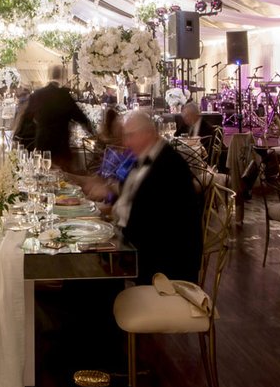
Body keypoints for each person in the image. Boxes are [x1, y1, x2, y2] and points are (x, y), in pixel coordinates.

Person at [82, 111, 202, 284]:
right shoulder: (147, 157)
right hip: (141, 248)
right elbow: (134, 192)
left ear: (148, 133)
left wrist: (115, 240)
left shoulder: (169, 166)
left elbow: (152, 222)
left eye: (130, 136)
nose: (126, 143)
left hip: (163, 268)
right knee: (87, 259)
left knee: (89, 273)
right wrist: (108, 190)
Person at [17, 65, 94, 169]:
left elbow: (26, 117)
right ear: (61, 76)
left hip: (43, 144)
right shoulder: (64, 95)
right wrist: (93, 132)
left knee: (43, 173)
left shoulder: (38, 94)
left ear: (49, 75)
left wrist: (20, 137)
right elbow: (80, 117)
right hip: (60, 146)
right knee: (62, 175)